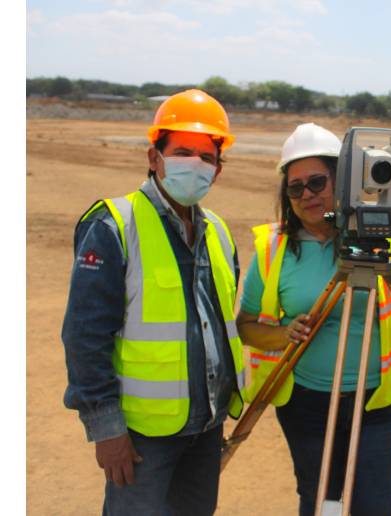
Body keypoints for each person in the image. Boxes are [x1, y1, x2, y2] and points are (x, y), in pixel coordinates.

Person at [62, 89, 246, 515]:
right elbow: (85, 336)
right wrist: (106, 428)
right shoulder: (114, 225)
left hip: (206, 426)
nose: (195, 165)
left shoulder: (219, 233)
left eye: (206, 157)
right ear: (154, 157)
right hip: (141, 437)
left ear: (218, 170)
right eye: (182, 152)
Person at [236, 122, 391, 516]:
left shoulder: (383, 243)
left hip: (373, 403)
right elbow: (245, 327)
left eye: (317, 182)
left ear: (341, 180)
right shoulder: (273, 249)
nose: (307, 195)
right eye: (296, 188)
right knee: (320, 500)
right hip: (306, 405)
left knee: (374, 505)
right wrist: (284, 334)